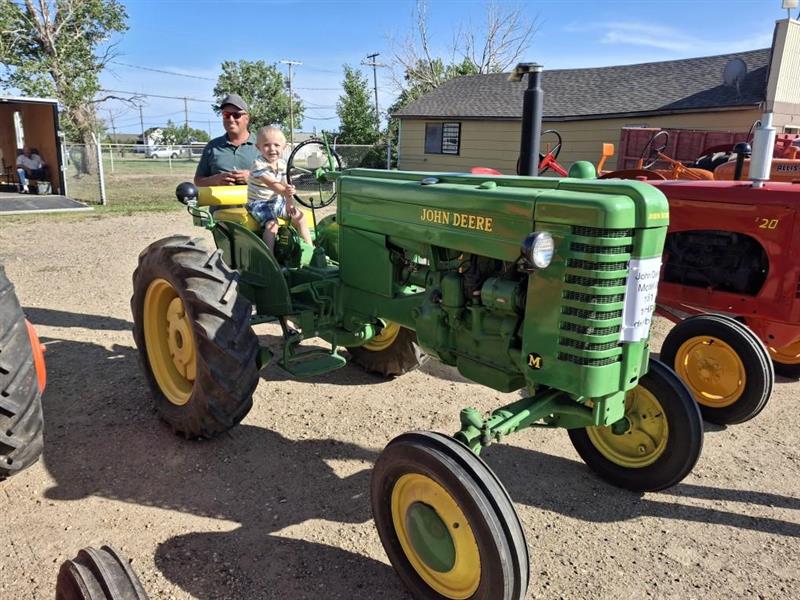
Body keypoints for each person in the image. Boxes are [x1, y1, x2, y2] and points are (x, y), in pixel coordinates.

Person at [246, 126, 312, 251]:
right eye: (266, 145)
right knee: (272, 224)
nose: (272, 149)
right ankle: (270, 257)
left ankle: (310, 249)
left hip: (277, 202)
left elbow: (285, 184)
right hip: (259, 203)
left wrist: (289, 203)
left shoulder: (282, 164)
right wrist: (284, 191)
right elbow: (271, 183)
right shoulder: (258, 164)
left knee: (300, 217)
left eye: (276, 145)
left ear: (284, 147)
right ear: (258, 147)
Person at [194, 93, 260, 187]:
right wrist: (215, 180)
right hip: (220, 202)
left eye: (236, 115)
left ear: (247, 118)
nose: (231, 119)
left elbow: (278, 179)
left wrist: (253, 177)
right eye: (226, 115)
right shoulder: (212, 147)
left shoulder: (262, 145)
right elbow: (198, 181)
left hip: (255, 201)